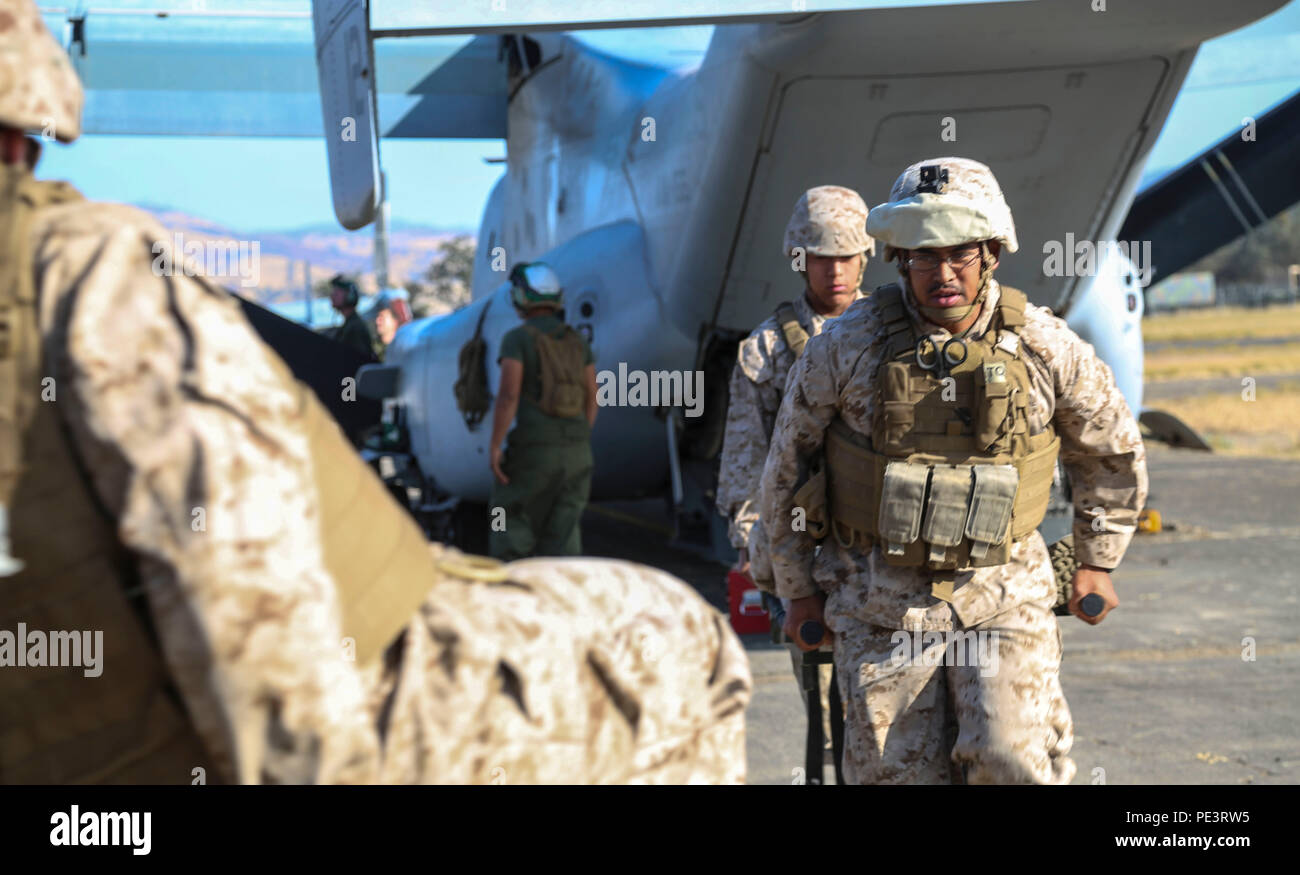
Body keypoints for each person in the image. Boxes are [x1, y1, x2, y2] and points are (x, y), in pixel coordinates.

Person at [0, 0, 749, 785]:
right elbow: (257, 643)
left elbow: (502, 400)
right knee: (677, 640)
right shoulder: (87, 277)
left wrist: (493, 446)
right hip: (516, 518)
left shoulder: (80, 279)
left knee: (535, 548)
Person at [761, 157, 1148, 784]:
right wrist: (796, 588)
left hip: (1004, 597)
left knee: (1012, 760)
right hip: (880, 606)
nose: (942, 273)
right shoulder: (846, 345)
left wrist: (1096, 560)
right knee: (895, 776)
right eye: (921, 255)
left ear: (992, 251)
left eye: (960, 253)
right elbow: (788, 466)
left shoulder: (1044, 345)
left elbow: (1108, 449)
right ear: (897, 259)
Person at [714, 185, 872, 747]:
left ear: (866, 256)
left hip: (882, 546)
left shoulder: (895, 331)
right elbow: (746, 452)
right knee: (825, 718)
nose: (834, 270)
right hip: (805, 545)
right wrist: (749, 536)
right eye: (820, 257)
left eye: (846, 256)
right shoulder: (766, 349)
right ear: (798, 260)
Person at [487, 262, 598, 561]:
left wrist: (496, 445)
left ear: (521, 297)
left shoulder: (517, 339)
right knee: (564, 535)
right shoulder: (577, 341)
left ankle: (510, 586)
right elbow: (593, 395)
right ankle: (563, 600)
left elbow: (509, 395)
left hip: (533, 453)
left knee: (504, 514)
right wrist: (578, 438)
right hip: (577, 455)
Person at [326, 273, 377, 359]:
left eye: (337, 293)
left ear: (350, 297)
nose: (332, 296)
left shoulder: (355, 327)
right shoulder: (349, 324)